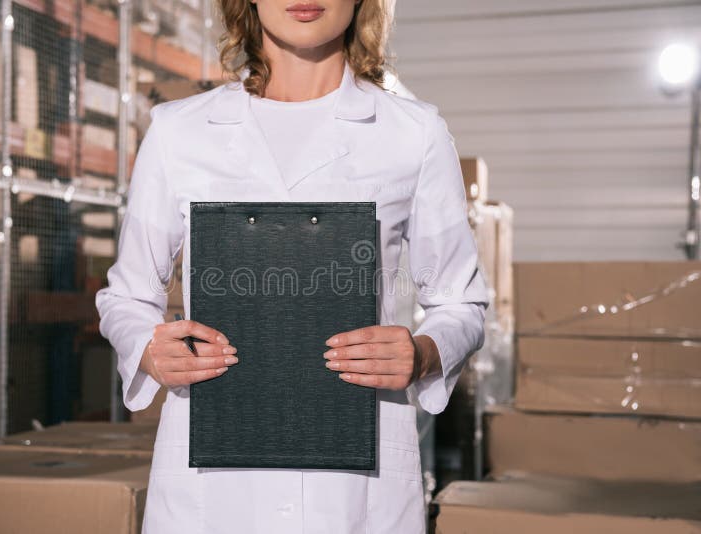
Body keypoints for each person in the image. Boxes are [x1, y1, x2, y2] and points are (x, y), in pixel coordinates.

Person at [95, 0, 489, 532]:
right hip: (213, 479)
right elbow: (126, 295)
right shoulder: (177, 132)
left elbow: (460, 301)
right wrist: (146, 345)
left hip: (356, 480)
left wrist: (422, 353)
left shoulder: (413, 133)